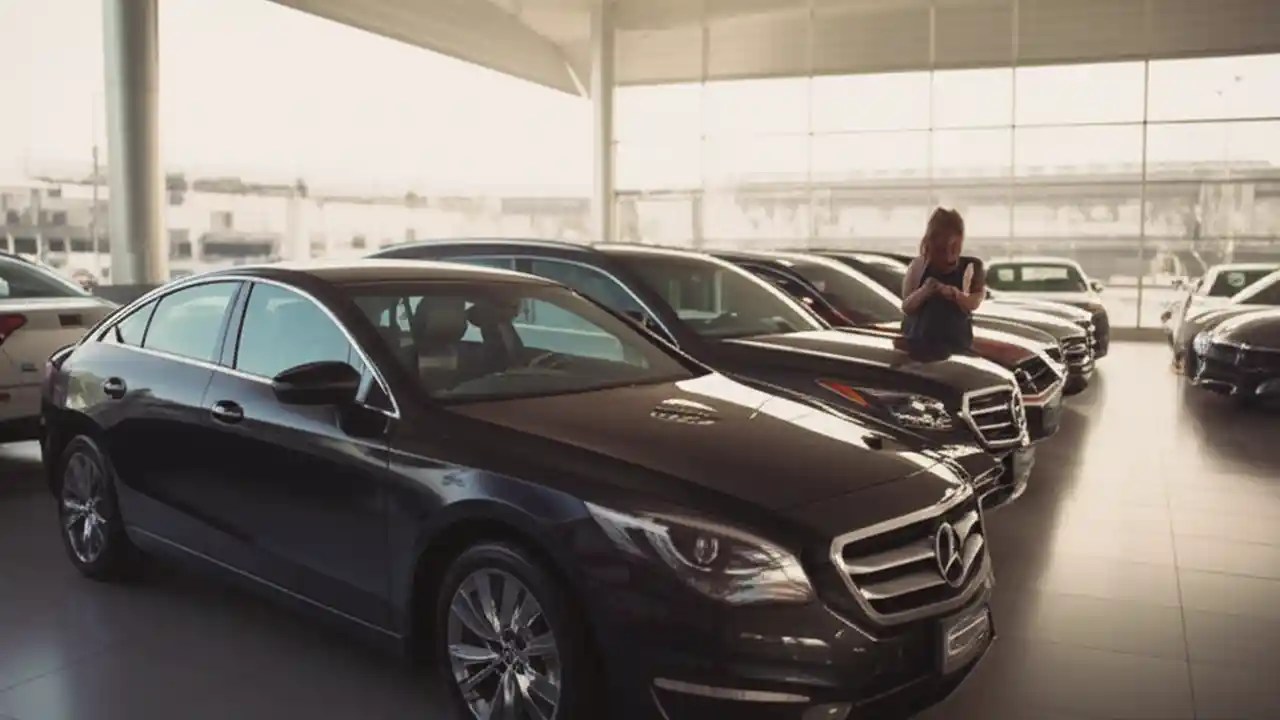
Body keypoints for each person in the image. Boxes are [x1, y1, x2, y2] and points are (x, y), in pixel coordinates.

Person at [900, 208, 985, 358]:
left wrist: (955, 294)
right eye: (941, 249)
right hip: (918, 347)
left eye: (953, 248)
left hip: (957, 348)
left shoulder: (971, 266)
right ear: (932, 241)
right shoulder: (919, 265)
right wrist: (925, 290)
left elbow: (974, 302)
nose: (947, 256)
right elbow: (906, 306)